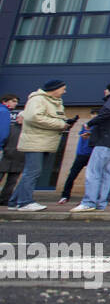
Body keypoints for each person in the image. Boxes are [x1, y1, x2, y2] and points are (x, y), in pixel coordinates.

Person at [10, 80, 74, 211]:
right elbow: (34, 117)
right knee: (32, 172)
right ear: (54, 89)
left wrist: (65, 122)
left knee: (32, 172)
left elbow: (52, 118)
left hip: (45, 141)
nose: (65, 91)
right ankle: (25, 202)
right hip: (35, 141)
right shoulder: (37, 99)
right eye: (63, 89)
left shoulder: (56, 102)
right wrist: (61, 125)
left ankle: (15, 201)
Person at [72, 82, 110, 213]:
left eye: (107, 89)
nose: (104, 91)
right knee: (106, 174)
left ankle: (89, 202)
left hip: (105, 142)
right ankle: (100, 203)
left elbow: (108, 112)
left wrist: (90, 123)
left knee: (94, 172)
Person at [57, 124, 94, 205]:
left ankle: (89, 197)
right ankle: (65, 196)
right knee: (72, 175)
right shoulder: (86, 125)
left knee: (92, 177)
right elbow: (83, 134)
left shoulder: (99, 126)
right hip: (82, 154)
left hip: (93, 154)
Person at [0, 95, 23, 206]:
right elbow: (3, 134)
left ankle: (4, 199)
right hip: (7, 155)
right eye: (13, 101)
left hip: (17, 158)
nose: (15, 104)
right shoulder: (4, 113)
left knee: (12, 181)